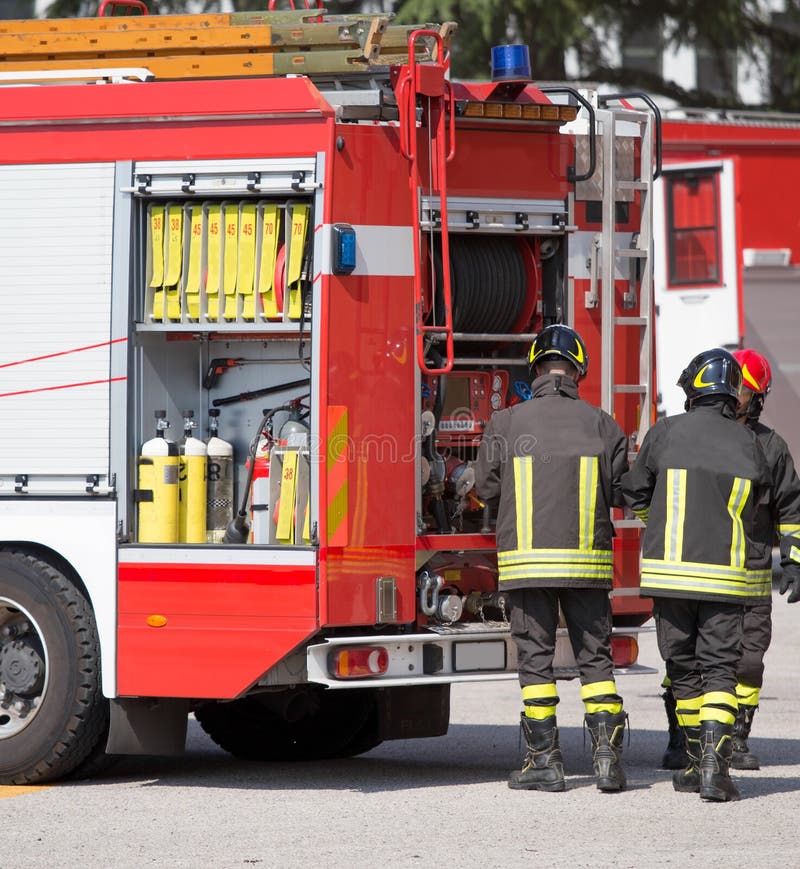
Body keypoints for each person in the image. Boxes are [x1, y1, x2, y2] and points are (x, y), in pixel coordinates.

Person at [474, 323, 629, 793]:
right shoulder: (602, 423)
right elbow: (621, 492)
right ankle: (607, 761)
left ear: (536, 368)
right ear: (578, 370)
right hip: (587, 567)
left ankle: (544, 762)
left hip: (527, 567)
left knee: (536, 662)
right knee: (595, 660)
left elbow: (485, 488)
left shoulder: (506, 422)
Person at [622, 348, 771, 802]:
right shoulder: (749, 442)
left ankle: (692, 762)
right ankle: (714, 769)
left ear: (694, 389)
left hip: (670, 578)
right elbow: (758, 504)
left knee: (683, 670)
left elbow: (635, 492)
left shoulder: (664, 432)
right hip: (725, 580)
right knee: (721, 671)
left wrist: (660, 523)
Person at [657, 349, 800, 773]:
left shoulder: (771, 447)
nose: (735, 398)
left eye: (744, 393)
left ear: (757, 399)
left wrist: (793, 560)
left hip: (749, 574)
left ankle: (734, 737)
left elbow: (791, 510)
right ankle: (683, 737)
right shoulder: (688, 435)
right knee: (684, 659)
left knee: (748, 661)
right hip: (695, 566)